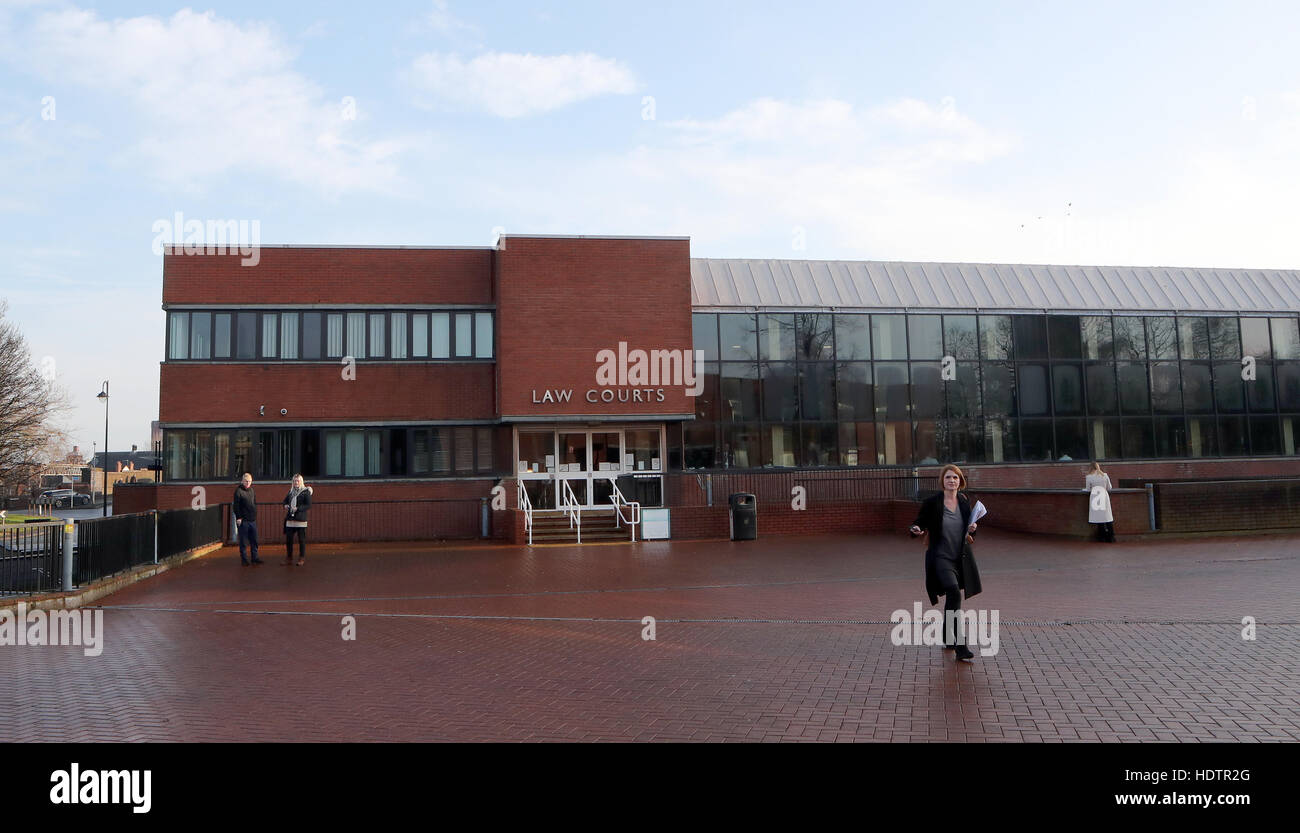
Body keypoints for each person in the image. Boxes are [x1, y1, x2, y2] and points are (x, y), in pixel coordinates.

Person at [908, 464, 983, 662]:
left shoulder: (964, 502)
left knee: (953, 597)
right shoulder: (933, 502)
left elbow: (969, 529)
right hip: (940, 556)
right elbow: (920, 521)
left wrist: (973, 528)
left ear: (960, 481)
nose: (952, 481)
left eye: (955, 478)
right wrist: (916, 528)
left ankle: (947, 636)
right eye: (948, 477)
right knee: (952, 590)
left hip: (960, 556)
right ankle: (960, 645)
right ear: (942, 481)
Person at [283, 474, 313, 566]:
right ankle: (289, 558)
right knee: (289, 540)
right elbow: (285, 501)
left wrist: (298, 508)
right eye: (294, 481)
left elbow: (308, 505)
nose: (296, 482)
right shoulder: (290, 492)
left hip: (301, 520)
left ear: (301, 482)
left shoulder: (305, 492)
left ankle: (301, 558)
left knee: (301, 540)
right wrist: (285, 505)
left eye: (297, 481)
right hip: (290, 519)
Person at [233, 473, 262, 565]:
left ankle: (255, 558)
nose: (248, 483)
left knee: (254, 540)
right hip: (243, 521)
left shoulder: (252, 490)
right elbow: (236, 506)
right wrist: (238, 517)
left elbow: (254, 502)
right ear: (242, 481)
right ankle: (244, 560)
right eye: (246, 481)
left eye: (249, 481)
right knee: (243, 541)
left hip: (252, 520)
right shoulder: (238, 491)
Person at [1084, 461, 1115, 542]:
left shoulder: (1089, 477)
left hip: (1095, 496)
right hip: (1104, 495)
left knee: (1098, 518)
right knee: (1107, 516)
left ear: (1090, 468)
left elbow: (1088, 489)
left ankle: (1102, 537)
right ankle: (1111, 537)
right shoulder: (1104, 475)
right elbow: (1109, 487)